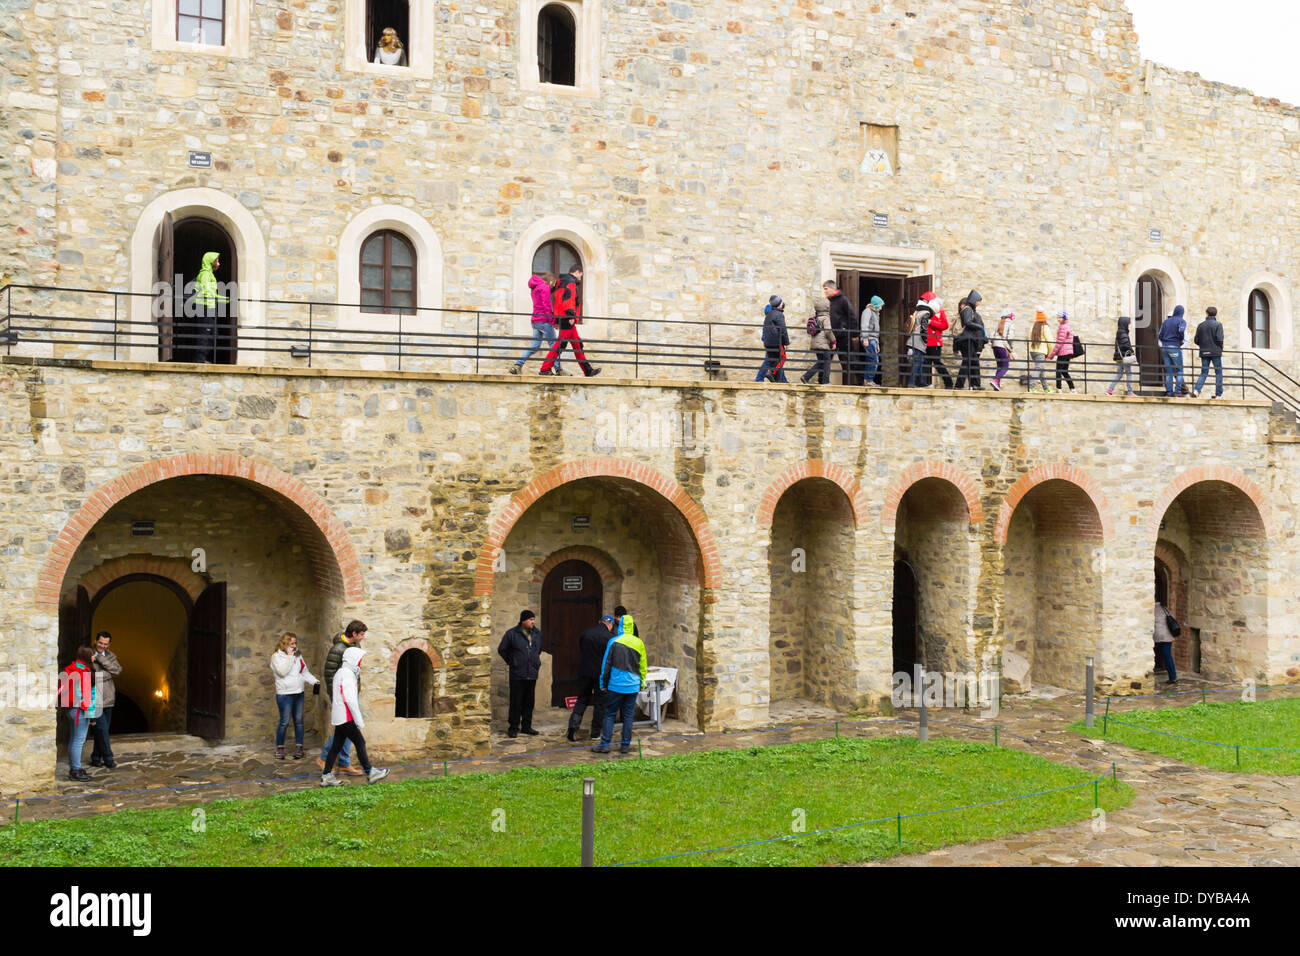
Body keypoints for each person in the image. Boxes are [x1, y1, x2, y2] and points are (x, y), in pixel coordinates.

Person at [319, 645, 391, 785]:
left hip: (340, 716)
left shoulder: (341, 672)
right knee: (360, 742)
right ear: (353, 660)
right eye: (359, 659)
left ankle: (326, 775)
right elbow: (350, 700)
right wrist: (359, 721)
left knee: (336, 746)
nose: (361, 662)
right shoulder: (347, 674)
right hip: (346, 716)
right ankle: (370, 772)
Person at [318, 620, 367, 776]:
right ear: (354, 634)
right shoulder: (337, 649)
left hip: (351, 692)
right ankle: (324, 758)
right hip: (340, 695)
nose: (363, 637)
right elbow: (329, 674)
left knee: (345, 731)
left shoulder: (355, 646)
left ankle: (344, 763)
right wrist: (336, 696)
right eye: (362, 634)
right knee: (346, 729)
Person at [591, 617, 647, 755]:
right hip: (633, 685)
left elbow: (606, 664)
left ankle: (605, 744)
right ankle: (625, 746)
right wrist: (642, 683)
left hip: (615, 685)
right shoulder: (639, 643)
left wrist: (602, 683)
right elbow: (643, 666)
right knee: (628, 716)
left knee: (609, 714)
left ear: (620, 625)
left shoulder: (613, 641)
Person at [539, 266, 600, 377]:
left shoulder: (562, 282)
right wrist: (571, 315)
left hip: (563, 317)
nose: (581, 276)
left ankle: (588, 370)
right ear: (576, 272)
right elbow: (569, 299)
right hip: (567, 318)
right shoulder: (570, 282)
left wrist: (557, 319)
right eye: (581, 274)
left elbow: (558, 301)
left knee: (577, 345)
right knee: (559, 345)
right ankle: (545, 369)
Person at [271, 631, 320, 759]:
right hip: (285, 694)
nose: (294, 645)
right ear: (285, 643)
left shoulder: (298, 656)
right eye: (291, 643)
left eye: (295, 643)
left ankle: (299, 747)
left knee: (299, 721)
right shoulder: (276, 657)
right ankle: (280, 748)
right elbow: (282, 672)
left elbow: (304, 672)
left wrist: (314, 681)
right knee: (285, 722)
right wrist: (290, 657)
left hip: (299, 693)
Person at [498, 609, 546, 737]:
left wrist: (535, 661)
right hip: (517, 674)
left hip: (532, 673)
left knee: (529, 701)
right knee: (516, 701)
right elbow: (502, 649)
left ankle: (526, 726)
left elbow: (538, 649)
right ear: (523, 620)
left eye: (533, 619)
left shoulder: (537, 633)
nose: (533, 622)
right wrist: (513, 661)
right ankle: (513, 727)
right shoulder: (512, 634)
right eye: (530, 619)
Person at [568, 614, 615, 741]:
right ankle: (595, 732)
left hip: (585, 671)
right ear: (609, 624)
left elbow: (582, 650)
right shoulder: (610, 638)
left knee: (582, 699)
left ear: (600, 622)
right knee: (600, 702)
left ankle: (573, 725)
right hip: (600, 674)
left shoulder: (586, 633)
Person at [511, 272, 562, 375]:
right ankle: (558, 369)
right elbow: (546, 306)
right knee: (554, 345)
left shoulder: (534, 288)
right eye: (553, 284)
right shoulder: (545, 287)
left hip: (535, 321)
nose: (553, 287)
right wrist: (553, 322)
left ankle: (518, 365)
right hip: (544, 321)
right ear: (551, 281)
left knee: (534, 346)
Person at [61, 646, 97, 782]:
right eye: (93, 655)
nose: (94, 657)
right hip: (80, 710)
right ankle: (75, 770)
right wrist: (92, 715)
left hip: (71, 708)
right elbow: (87, 697)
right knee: (79, 741)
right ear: (88, 656)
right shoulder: (84, 671)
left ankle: (75, 767)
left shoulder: (73, 667)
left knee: (73, 739)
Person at [88, 630, 121, 770]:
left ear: (109, 644)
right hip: (95, 698)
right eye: (100, 643)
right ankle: (108, 758)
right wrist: (107, 674)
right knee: (102, 730)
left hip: (108, 698)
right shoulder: (88, 653)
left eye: (105, 644)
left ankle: (96, 758)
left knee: (102, 730)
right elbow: (89, 676)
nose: (102, 646)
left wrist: (100, 659)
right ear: (96, 641)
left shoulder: (111, 656)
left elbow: (117, 670)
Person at [192, 251, 228, 364]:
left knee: (213, 334)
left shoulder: (210, 274)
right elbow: (206, 291)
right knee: (205, 333)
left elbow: (212, 292)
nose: (219, 263)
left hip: (209, 307)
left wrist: (226, 299)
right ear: (211, 261)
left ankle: (202, 358)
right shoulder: (205, 274)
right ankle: (199, 359)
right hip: (205, 307)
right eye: (217, 260)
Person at [823, 280, 858, 385]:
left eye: (826, 289)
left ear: (832, 289)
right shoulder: (828, 301)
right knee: (827, 357)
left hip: (843, 335)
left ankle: (860, 381)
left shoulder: (843, 300)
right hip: (832, 336)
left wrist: (854, 334)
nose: (824, 291)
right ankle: (824, 381)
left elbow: (852, 316)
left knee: (850, 358)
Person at [953, 290, 987, 390]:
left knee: (973, 362)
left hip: (968, 339)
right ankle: (959, 385)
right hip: (966, 339)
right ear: (974, 300)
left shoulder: (968, 309)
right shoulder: (968, 309)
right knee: (967, 362)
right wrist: (980, 327)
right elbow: (967, 322)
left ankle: (975, 384)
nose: (978, 303)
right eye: (978, 301)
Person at [920, 292, 953, 388]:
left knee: (937, 363)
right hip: (926, 341)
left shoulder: (940, 311)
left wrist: (931, 322)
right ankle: (924, 384)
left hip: (935, 342)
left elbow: (945, 325)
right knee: (926, 363)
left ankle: (949, 383)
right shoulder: (924, 311)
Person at [800, 297, 835, 385]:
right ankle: (824, 381)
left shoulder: (817, 317)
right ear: (827, 307)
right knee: (826, 361)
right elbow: (828, 331)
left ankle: (817, 379)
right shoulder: (826, 318)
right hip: (823, 344)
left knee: (821, 361)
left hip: (815, 344)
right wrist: (833, 341)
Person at [1192, 306, 1225, 399]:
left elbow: (1196, 340)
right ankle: (1219, 394)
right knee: (1218, 373)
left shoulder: (1201, 325)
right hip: (1215, 352)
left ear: (1206, 313)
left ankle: (1196, 390)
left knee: (1204, 372)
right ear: (1216, 314)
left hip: (1204, 351)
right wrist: (1220, 348)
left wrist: (1203, 346)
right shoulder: (1218, 325)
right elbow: (1219, 339)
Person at [756, 295, 790, 383]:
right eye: (781, 302)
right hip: (776, 342)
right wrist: (786, 342)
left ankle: (780, 380)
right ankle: (771, 373)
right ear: (779, 305)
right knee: (782, 358)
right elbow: (783, 329)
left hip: (768, 343)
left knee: (774, 362)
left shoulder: (769, 315)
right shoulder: (778, 315)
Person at [1158, 304, 1188, 397]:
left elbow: (1160, 335)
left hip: (1164, 347)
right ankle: (1178, 391)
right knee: (1179, 370)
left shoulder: (1166, 322)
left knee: (1169, 371)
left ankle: (1169, 392)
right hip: (1174, 346)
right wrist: (1181, 340)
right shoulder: (1181, 321)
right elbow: (1181, 331)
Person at [1106, 315, 1137, 397]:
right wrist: (1132, 351)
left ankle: (1110, 390)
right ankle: (1130, 392)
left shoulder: (1119, 332)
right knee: (1129, 373)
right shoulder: (1123, 333)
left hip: (1119, 357)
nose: (1129, 325)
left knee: (1119, 374)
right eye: (1128, 323)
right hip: (1124, 357)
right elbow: (1126, 345)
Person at [1048, 310, 1076, 393]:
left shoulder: (1063, 327)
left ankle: (1059, 389)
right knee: (1064, 371)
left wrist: (1051, 355)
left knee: (1058, 371)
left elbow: (1059, 343)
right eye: (1057, 317)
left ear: (1064, 318)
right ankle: (1073, 388)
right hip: (1068, 352)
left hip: (1063, 352)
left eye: (1060, 317)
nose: (1058, 319)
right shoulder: (1068, 326)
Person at [906, 299, 930, 387]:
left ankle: (920, 381)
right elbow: (924, 329)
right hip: (919, 341)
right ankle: (911, 382)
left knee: (919, 361)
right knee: (917, 361)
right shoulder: (925, 314)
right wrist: (925, 340)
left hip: (913, 339)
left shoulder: (916, 313)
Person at [989, 310, 1014, 391]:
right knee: (1005, 366)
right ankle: (995, 380)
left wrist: (993, 344)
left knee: (1000, 366)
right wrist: (1010, 349)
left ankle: (996, 386)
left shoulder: (999, 323)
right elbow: (1010, 338)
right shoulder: (1010, 324)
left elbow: (992, 335)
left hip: (995, 347)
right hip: (1002, 346)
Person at [860, 295, 882, 386]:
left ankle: (868, 380)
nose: (881, 307)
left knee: (871, 359)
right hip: (868, 338)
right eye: (881, 305)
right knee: (874, 360)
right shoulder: (867, 311)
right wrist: (865, 338)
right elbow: (864, 325)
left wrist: (877, 344)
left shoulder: (876, 313)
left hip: (873, 340)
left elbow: (876, 331)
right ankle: (869, 380)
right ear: (876, 305)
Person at [1153, 600, 1177, 685]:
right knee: (1167, 656)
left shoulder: (1152, 610)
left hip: (1159, 636)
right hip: (1168, 636)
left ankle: (1172, 677)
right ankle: (1172, 676)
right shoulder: (1164, 608)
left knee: (1160, 655)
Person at [1029, 311, 1051, 392]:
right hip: (1041, 351)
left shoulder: (1033, 327)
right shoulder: (1045, 327)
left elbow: (1029, 339)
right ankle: (1031, 387)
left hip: (1033, 351)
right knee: (1038, 368)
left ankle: (1046, 388)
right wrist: (1050, 352)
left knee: (1041, 369)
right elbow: (1050, 341)